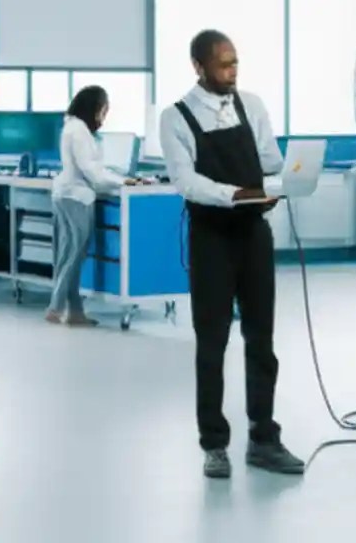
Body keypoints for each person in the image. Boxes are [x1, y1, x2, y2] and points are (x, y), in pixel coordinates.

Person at [158, 29, 305, 479]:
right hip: (211, 239)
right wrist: (238, 193)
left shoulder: (252, 105)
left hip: (253, 236)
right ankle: (214, 445)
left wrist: (284, 183)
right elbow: (187, 183)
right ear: (198, 67)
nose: (232, 71)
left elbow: (271, 161)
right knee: (212, 343)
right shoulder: (176, 117)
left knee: (262, 340)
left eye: (236, 62)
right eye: (223, 65)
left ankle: (263, 438)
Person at [47, 85, 139, 327]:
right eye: (103, 110)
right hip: (76, 197)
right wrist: (124, 181)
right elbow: (92, 172)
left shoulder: (73, 127)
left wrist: (116, 179)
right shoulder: (79, 132)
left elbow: (92, 171)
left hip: (66, 194)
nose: (104, 116)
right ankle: (56, 308)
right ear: (94, 108)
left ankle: (74, 312)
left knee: (67, 254)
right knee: (74, 256)